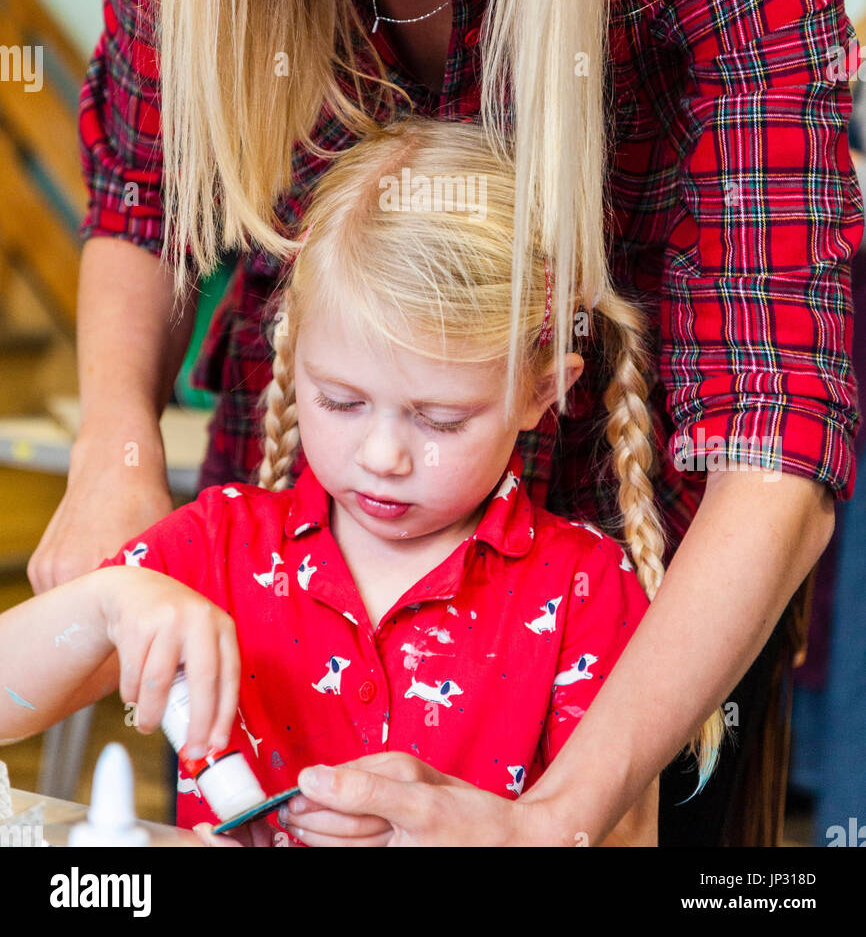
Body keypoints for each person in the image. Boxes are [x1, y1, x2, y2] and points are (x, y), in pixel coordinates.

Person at [28, 0, 860, 846]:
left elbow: (777, 426)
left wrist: (556, 819)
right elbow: (143, 193)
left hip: (638, 643)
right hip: (301, 615)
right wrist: (117, 454)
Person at [3, 119, 673, 846]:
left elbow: (621, 838)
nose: (383, 455)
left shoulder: (588, 591)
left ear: (544, 392)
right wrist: (108, 605)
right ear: (298, 362)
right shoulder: (221, 543)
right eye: (342, 402)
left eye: (442, 420)